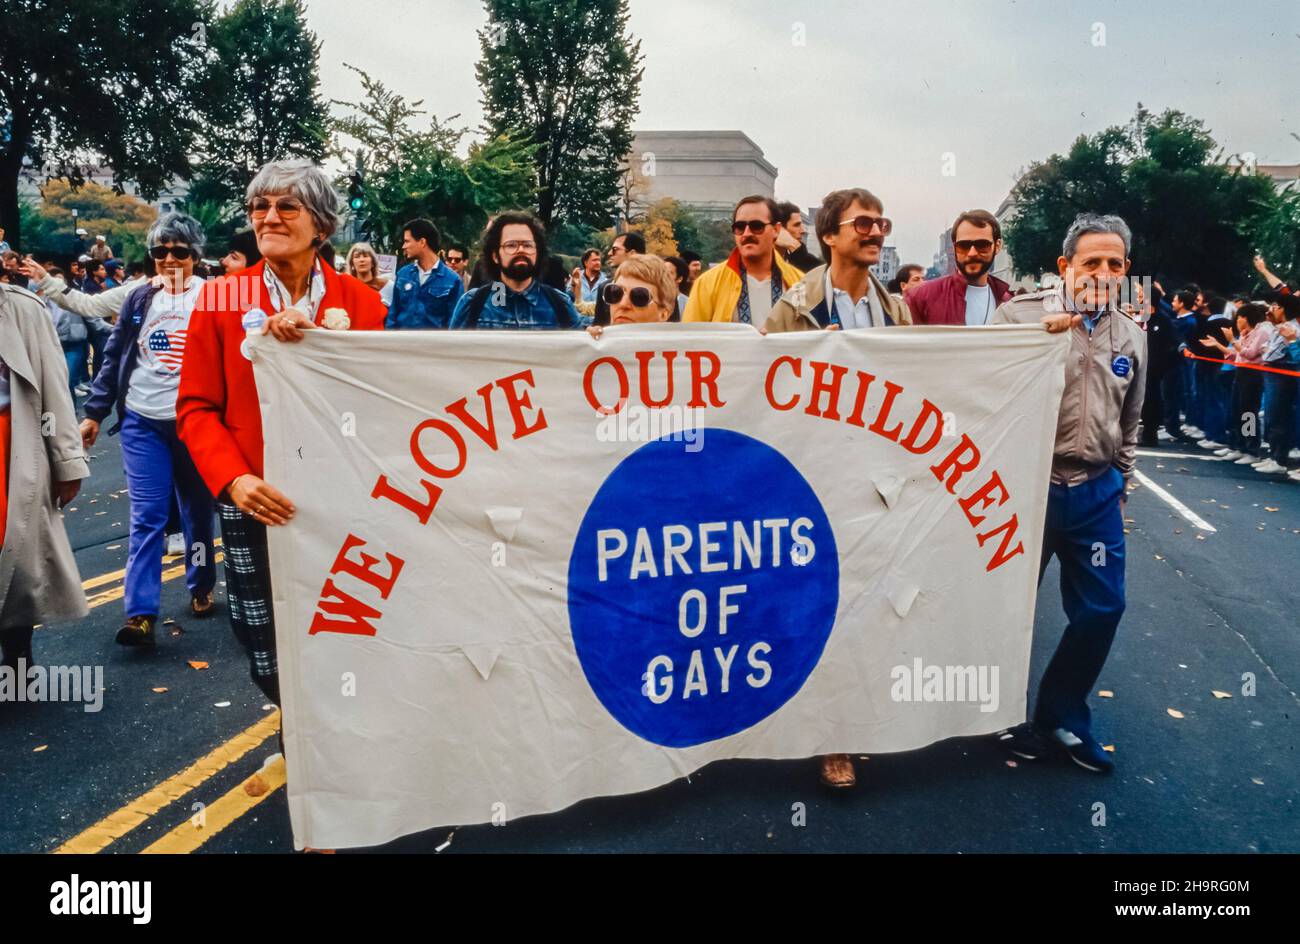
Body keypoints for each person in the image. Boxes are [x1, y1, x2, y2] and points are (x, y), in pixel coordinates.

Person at [177, 159, 387, 704]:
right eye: (259, 207)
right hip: (255, 498)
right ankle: (295, 720)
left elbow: (382, 402)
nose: (268, 217)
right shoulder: (221, 296)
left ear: (320, 225)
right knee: (262, 641)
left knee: (346, 631)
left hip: (342, 499)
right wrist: (232, 481)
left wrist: (325, 353)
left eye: (286, 206)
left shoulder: (362, 303)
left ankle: (322, 750)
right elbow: (196, 407)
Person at [995, 213, 1146, 774]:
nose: (1103, 272)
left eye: (1115, 263)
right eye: (1091, 262)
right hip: (1023, 489)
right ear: (1066, 267)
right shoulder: (1018, 316)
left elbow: (1131, 419)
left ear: (1126, 271)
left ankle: (1061, 716)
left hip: (1095, 493)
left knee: (1103, 608)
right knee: (1005, 608)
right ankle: (997, 714)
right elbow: (984, 397)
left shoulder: (1132, 333)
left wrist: (1122, 483)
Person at [78, 213, 217, 646]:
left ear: (195, 255)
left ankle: (200, 583)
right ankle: (140, 613)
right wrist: (95, 412)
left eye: (179, 251)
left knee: (197, 515)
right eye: (161, 251)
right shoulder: (139, 298)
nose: (170, 259)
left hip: (196, 422)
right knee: (148, 517)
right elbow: (115, 355)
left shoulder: (215, 298)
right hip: (142, 421)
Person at [0, 282, 90, 671]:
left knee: (16, 561)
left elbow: (55, 387)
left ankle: (18, 655)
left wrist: (67, 462)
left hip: (11, 445)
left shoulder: (24, 308)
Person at [765, 187, 910, 339]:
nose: (876, 233)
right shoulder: (792, 310)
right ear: (829, 236)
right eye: (863, 223)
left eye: (881, 224)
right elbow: (768, 360)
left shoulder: (899, 314)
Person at [449, 212, 585, 330]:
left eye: (527, 245)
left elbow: (579, 355)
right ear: (495, 256)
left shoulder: (560, 304)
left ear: (537, 253)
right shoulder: (472, 303)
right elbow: (451, 354)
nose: (521, 250)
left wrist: (592, 340)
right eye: (511, 245)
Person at [682, 196, 803, 325]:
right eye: (740, 227)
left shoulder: (799, 283)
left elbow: (808, 334)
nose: (747, 234)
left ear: (776, 230)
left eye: (757, 226)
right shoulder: (707, 283)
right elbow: (692, 338)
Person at [905, 209, 1013, 325]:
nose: (972, 253)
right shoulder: (920, 298)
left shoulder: (1009, 303)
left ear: (997, 246)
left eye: (982, 245)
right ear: (954, 247)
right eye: (964, 246)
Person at [1208, 302, 1271, 464]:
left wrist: (1232, 340)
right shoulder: (1244, 333)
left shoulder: (1261, 333)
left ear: (1245, 318)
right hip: (1240, 373)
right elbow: (1238, 355)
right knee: (1235, 410)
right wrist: (1221, 345)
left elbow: (1249, 354)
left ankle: (1251, 449)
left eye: (1239, 318)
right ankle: (1238, 445)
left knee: (1248, 413)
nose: (1236, 321)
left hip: (1253, 375)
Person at [384, 218, 464, 329]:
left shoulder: (452, 280)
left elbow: (455, 323)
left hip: (434, 344)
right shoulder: (403, 274)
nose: (403, 246)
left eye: (407, 241)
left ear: (422, 242)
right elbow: (392, 315)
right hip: (402, 343)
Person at [1256, 292, 1300, 477]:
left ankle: (1277, 457)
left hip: (1281, 377)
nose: (1272, 310)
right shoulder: (1279, 327)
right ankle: (1273, 454)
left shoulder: (1291, 329)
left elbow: (1271, 354)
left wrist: (1267, 352)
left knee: (1276, 416)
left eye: (1276, 306)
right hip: (1272, 375)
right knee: (1270, 415)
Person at [585, 253, 677, 337]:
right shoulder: (594, 348)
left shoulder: (681, 352)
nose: (623, 304)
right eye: (616, 293)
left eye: (639, 297)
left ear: (663, 314)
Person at [774, 200, 821, 274]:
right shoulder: (760, 262)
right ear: (779, 229)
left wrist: (796, 249)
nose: (803, 231)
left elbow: (822, 276)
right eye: (796, 225)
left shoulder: (792, 258)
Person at [663, 255, 689, 321]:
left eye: (668, 273)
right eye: (662, 272)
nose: (663, 276)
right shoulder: (653, 301)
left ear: (679, 279)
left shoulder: (689, 304)